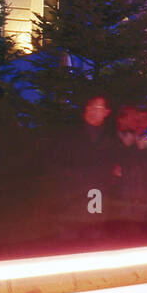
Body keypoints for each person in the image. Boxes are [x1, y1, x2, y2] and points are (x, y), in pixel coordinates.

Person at [54, 94, 117, 248]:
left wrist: (111, 175)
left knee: (93, 236)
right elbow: (57, 162)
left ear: (106, 112)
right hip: (72, 196)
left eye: (100, 108)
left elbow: (112, 162)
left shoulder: (108, 136)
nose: (95, 111)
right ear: (86, 108)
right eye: (92, 107)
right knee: (69, 240)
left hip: (96, 195)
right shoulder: (70, 133)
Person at [109, 104, 147, 244]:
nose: (139, 123)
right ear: (121, 120)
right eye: (135, 119)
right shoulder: (116, 140)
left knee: (139, 236)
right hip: (121, 201)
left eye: (142, 119)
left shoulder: (146, 142)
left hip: (141, 199)